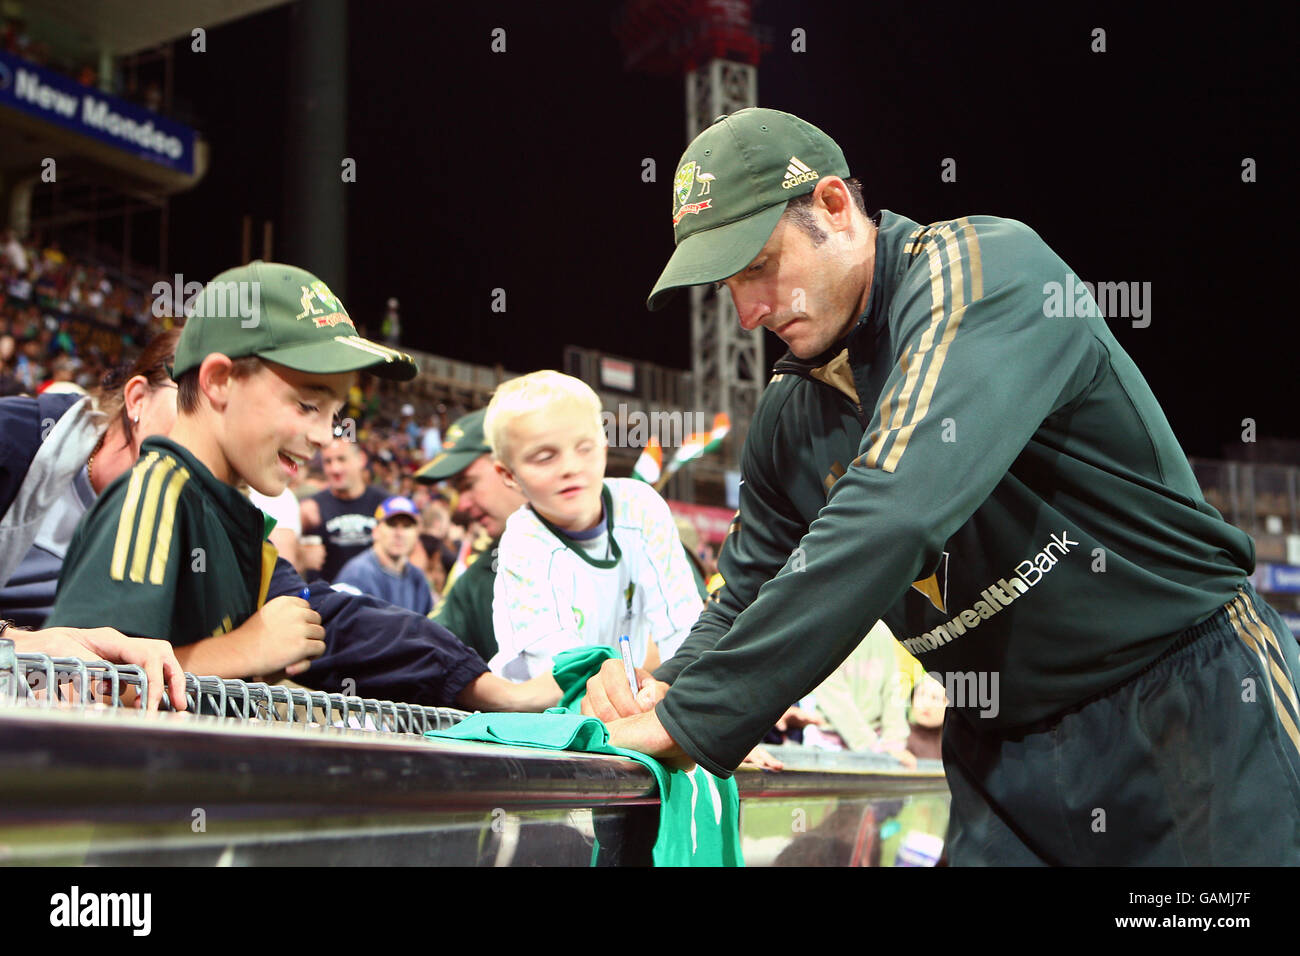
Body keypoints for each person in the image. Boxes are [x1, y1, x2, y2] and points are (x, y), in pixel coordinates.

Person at [587, 108, 1300, 865]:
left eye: (760, 265)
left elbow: (895, 509)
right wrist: (659, 690)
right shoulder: (786, 417)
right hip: (999, 747)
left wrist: (699, 714)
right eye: (730, 284)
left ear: (834, 205)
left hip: (1187, 701)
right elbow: (743, 598)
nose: (748, 310)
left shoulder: (986, 268)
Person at [38, 262, 559, 713]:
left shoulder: (233, 520)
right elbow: (89, 684)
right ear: (219, 381)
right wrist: (245, 651)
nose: (323, 435)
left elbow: (348, 628)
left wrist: (498, 691)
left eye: (334, 414)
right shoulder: (154, 495)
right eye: (308, 406)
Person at [483, 370, 703, 681]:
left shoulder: (641, 506)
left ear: (603, 445)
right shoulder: (523, 541)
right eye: (545, 457)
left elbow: (684, 631)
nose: (570, 468)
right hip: (542, 715)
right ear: (507, 475)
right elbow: (561, 670)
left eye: (584, 448)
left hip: (624, 701)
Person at [414, 408, 527, 662]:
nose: (461, 505)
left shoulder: (622, 534)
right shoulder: (480, 578)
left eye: (467, 485)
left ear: (510, 466)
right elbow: (426, 652)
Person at [300, 438, 386, 582]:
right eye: (328, 462)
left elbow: (414, 554)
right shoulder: (311, 507)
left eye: (342, 459)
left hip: (376, 597)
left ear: (361, 459)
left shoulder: (384, 503)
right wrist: (300, 552)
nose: (335, 469)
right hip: (329, 598)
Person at [334, 495, 433, 615]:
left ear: (417, 534)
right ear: (375, 531)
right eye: (392, 524)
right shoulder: (357, 574)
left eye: (407, 526)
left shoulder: (417, 578)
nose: (399, 533)